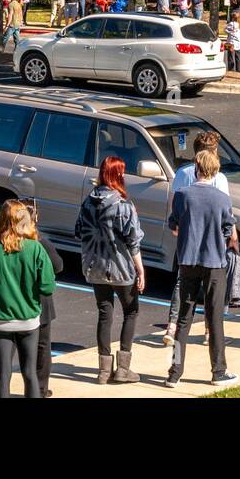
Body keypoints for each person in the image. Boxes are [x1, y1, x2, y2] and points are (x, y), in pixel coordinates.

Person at [165, 149, 239, 387]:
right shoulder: (222, 198)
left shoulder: (182, 196)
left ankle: (175, 372)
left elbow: (174, 225)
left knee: (183, 320)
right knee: (214, 316)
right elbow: (228, 230)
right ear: (215, 171)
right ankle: (218, 370)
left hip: (188, 260)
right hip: (214, 262)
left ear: (196, 167)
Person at [0, 200, 55, 398]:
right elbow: (48, 287)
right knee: (30, 373)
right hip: (28, 320)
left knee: (3, 374)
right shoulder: (35, 249)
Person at [77, 156, 146, 385]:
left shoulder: (87, 202)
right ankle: (123, 369)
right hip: (120, 268)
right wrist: (141, 270)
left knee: (104, 314)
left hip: (95, 267)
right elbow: (133, 241)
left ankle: (103, 370)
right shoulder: (123, 205)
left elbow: (79, 231)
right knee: (131, 311)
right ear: (118, 176)